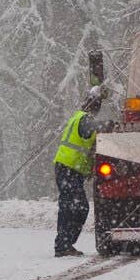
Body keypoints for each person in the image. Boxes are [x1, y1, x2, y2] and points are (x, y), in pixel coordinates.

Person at [52, 87, 104, 256]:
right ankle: (63, 245)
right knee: (76, 207)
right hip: (69, 169)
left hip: (68, 169)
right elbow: (90, 128)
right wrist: (106, 125)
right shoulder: (85, 119)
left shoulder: (78, 117)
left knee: (70, 206)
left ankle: (64, 244)